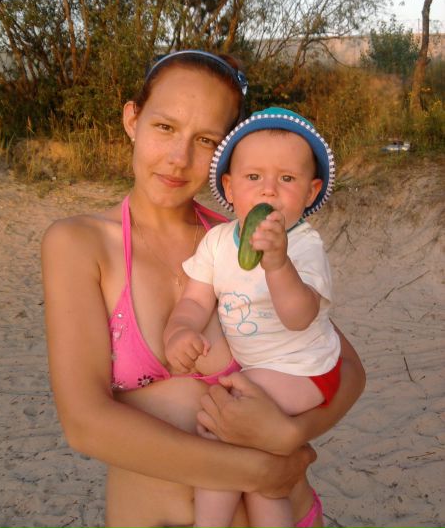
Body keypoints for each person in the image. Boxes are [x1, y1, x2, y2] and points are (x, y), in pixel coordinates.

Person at [42, 50, 365, 528]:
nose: (179, 158)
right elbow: (85, 424)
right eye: (165, 127)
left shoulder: (247, 239)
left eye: (206, 140)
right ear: (133, 119)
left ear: (225, 154)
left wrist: (288, 434)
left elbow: (347, 369)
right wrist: (260, 469)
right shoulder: (79, 243)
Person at [164, 107, 341, 528]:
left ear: (311, 191)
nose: (269, 190)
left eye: (287, 179)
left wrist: (278, 264)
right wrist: (179, 330)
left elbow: (299, 317)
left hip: (305, 370)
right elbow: (195, 300)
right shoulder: (218, 242)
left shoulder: (304, 246)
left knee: (219, 422)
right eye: (254, 177)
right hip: (263, 371)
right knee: (261, 479)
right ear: (229, 186)